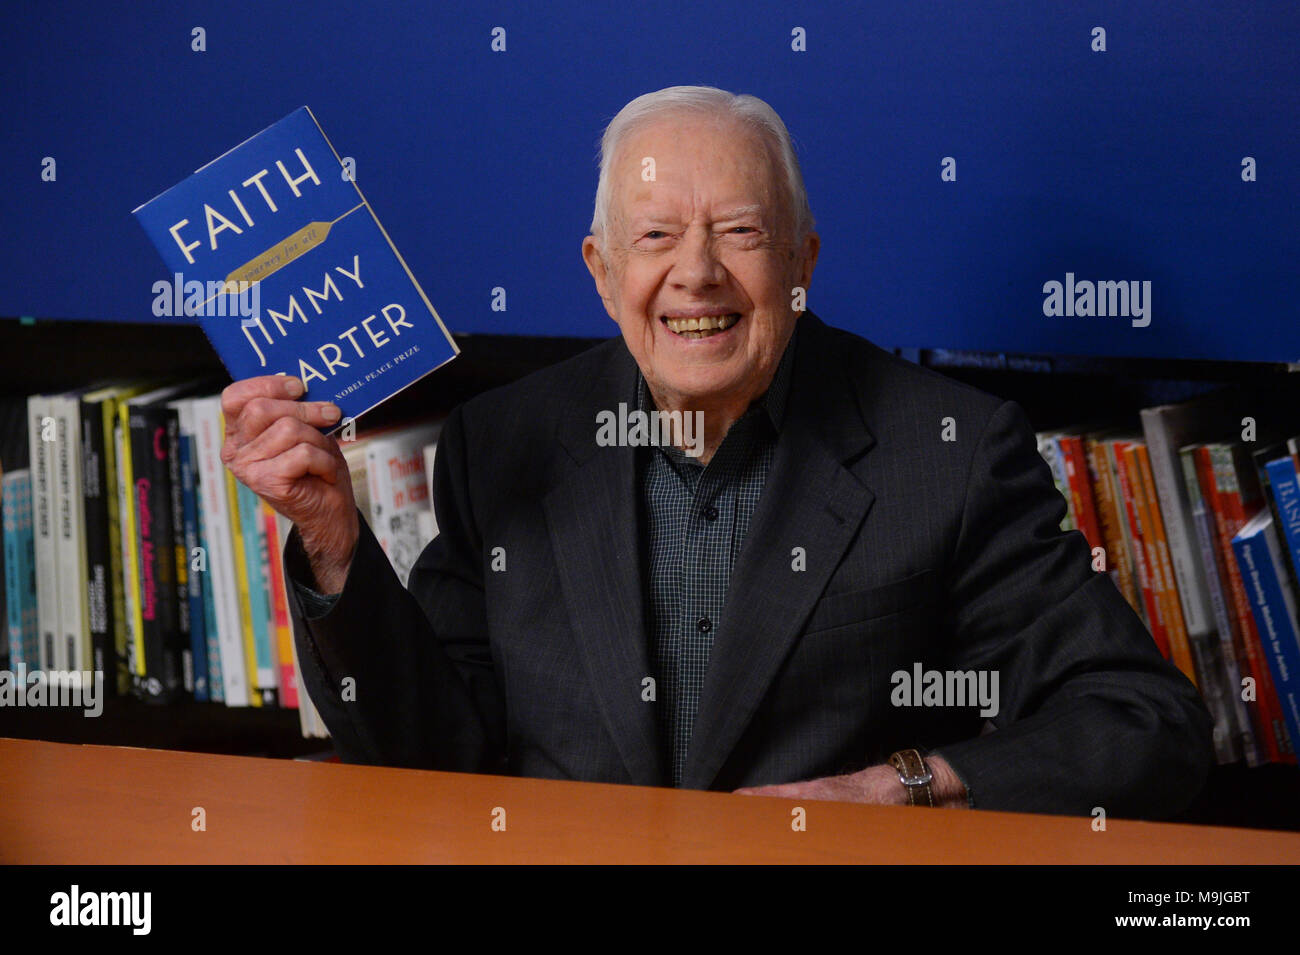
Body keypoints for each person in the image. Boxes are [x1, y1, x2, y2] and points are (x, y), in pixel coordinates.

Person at [220, 86, 1212, 816]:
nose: (696, 273)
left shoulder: (943, 449)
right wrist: (335, 541)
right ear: (602, 273)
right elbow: (432, 754)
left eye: (738, 231)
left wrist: (908, 782)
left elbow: (1140, 723)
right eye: (654, 236)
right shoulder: (503, 442)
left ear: (800, 261)